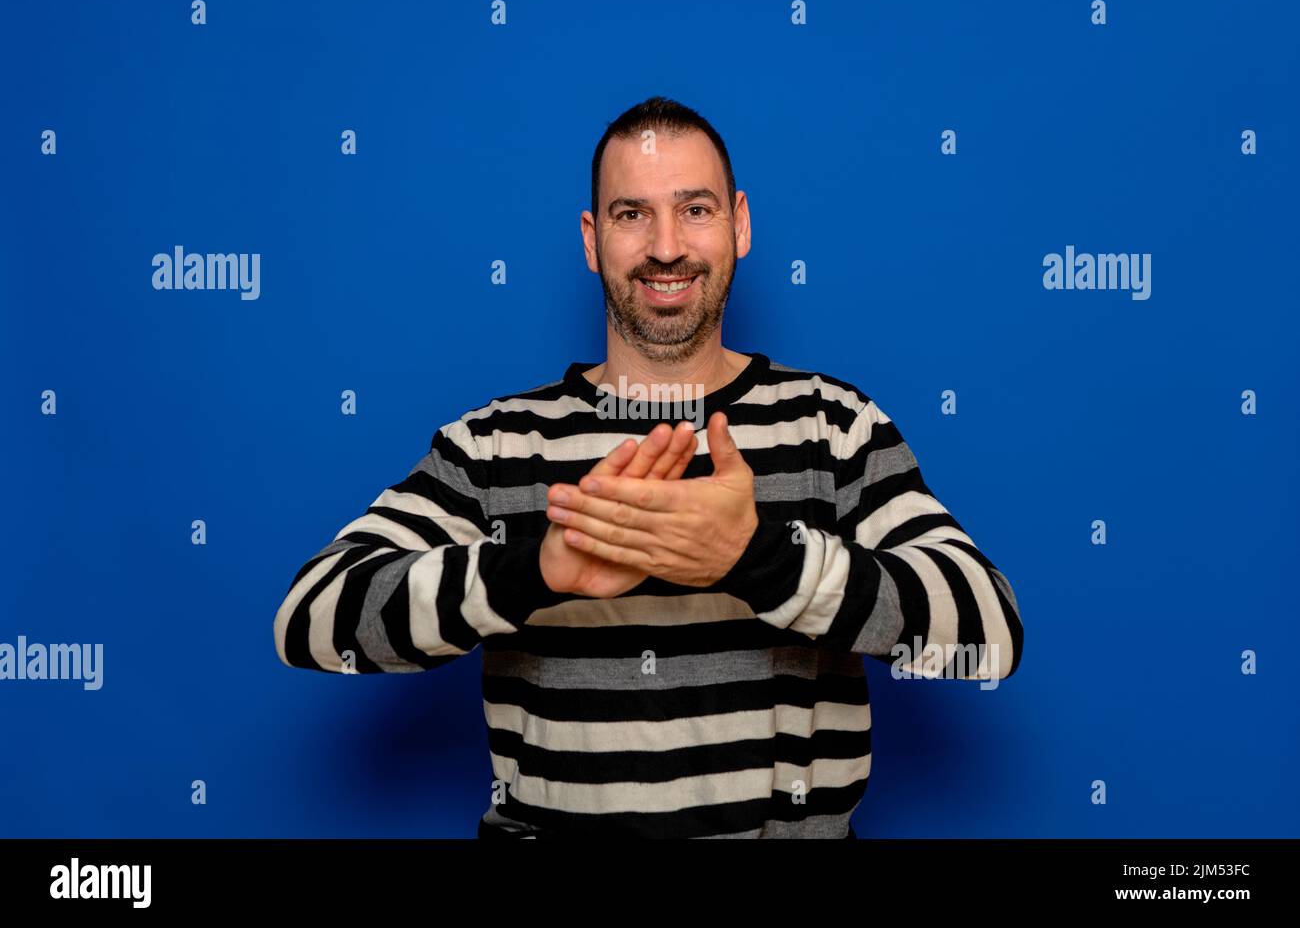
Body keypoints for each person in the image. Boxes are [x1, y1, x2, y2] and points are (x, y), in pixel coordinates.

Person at [272, 96, 1024, 838]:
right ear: (592, 241)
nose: (667, 246)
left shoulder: (835, 427)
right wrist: (535, 568)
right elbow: (310, 619)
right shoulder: (499, 443)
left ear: (741, 224)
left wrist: (761, 561)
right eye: (632, 215)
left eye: (695, 209)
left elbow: (988, 639)